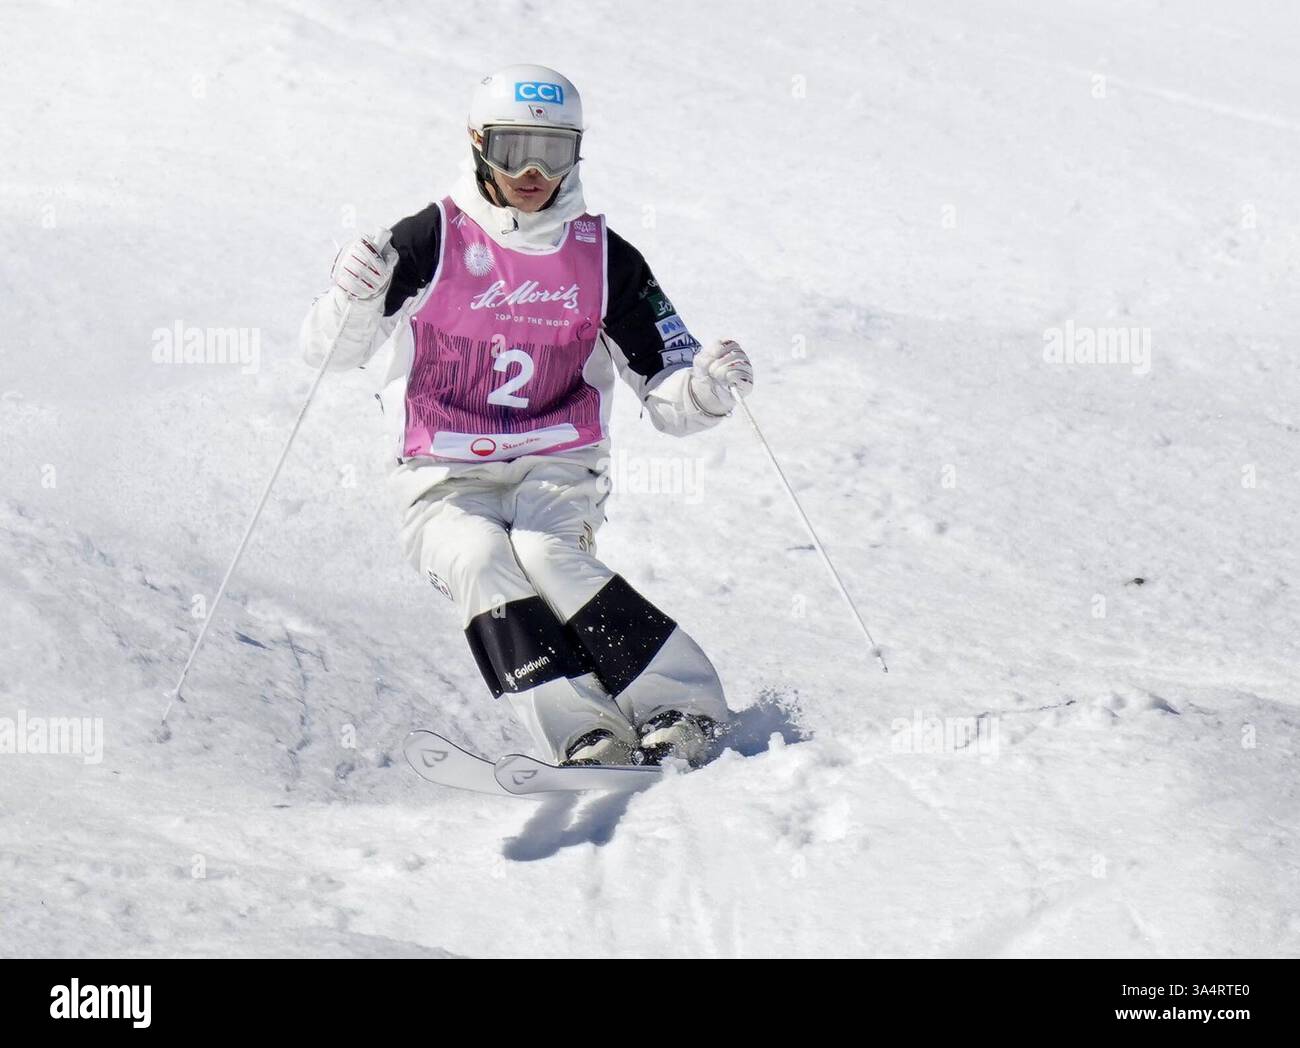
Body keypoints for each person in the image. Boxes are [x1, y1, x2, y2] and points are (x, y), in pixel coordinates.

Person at [300, 64, 754, 767]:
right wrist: (351, 298)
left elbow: (666, 384)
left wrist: (706, 390)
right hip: (441, 473)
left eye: (555, 151)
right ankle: (584, 733)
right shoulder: (430, 239)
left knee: (547, 555)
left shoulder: (603, 258)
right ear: (478, 143)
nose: (534, 171)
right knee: (480, 557)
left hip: (555, 465)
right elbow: (330, 353)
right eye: (514, 150)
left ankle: (682, 704)